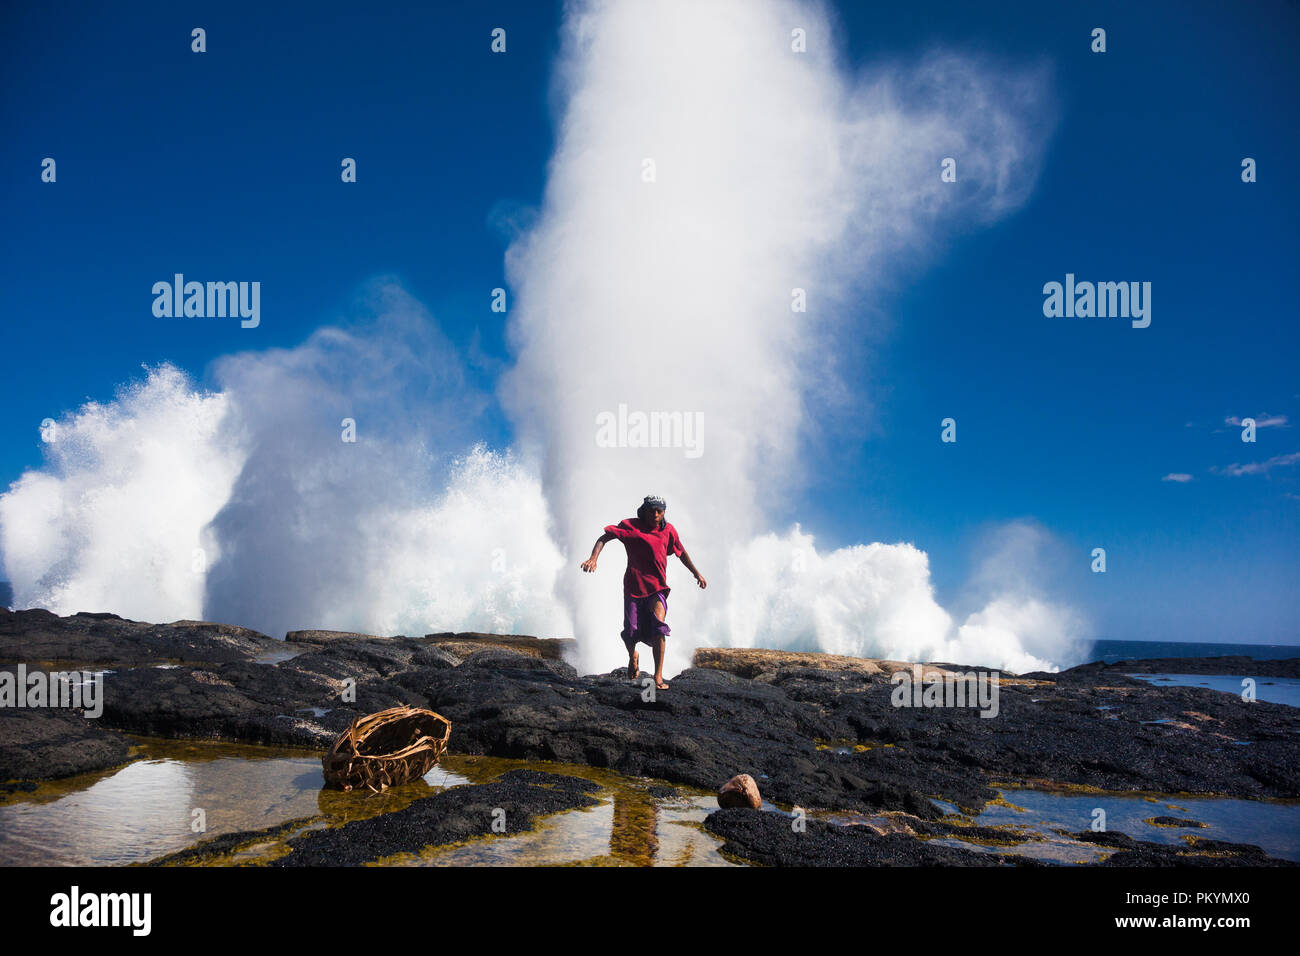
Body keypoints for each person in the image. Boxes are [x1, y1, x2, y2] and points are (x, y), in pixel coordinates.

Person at [580, 495, 706, 690]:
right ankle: (633, 656)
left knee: (659, 627)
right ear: (644, 510)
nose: (655, 514)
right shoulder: (631, 526)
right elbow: (604, 537)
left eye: (660, 511)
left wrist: (696, 573)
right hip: (633, 587)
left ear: (664, 512)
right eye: (651, 510)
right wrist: (593, 558)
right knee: (630, 632)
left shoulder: (668, 530)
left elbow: (681, 552)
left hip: (658, 588)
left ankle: (657, 677)